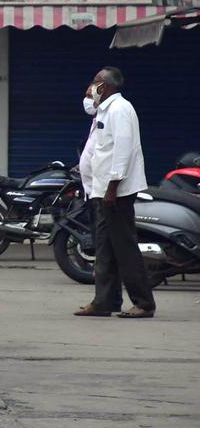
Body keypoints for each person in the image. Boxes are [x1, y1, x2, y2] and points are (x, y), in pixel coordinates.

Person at [75, 67, 156, 319]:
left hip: (115, 191)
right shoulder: (105, 109)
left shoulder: (121, 110)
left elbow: (123, 150)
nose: (91, 87)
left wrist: (113, 187)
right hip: (101, 189)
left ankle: (144, 303)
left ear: (105, 85)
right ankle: (104, 301)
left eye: (95, 82)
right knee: (105, 247)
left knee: (124, 246)